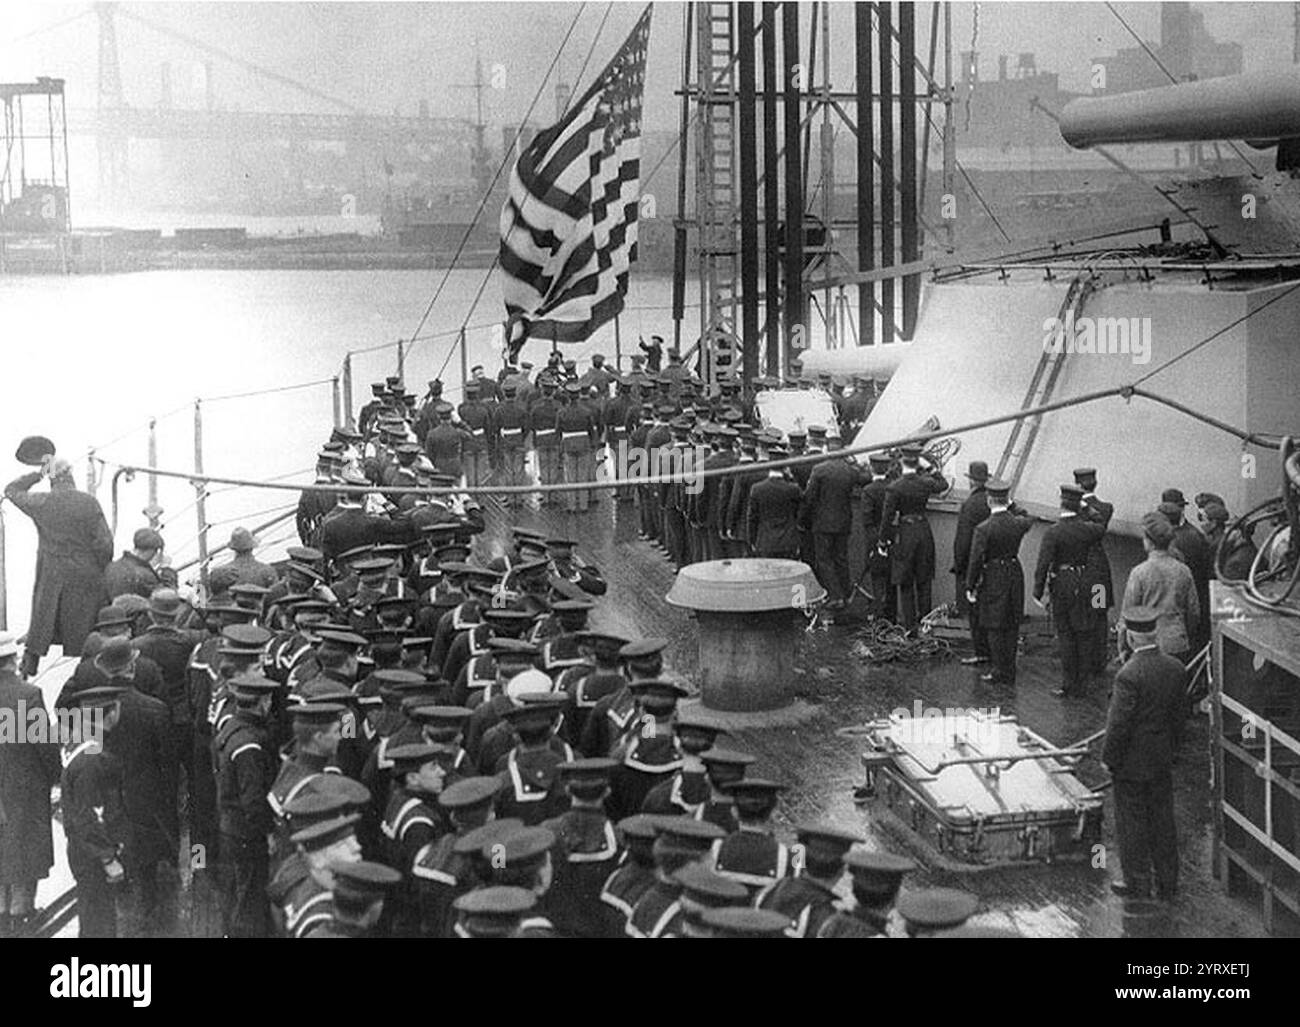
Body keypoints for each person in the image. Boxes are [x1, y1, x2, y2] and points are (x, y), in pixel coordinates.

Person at [1102, 606, 1187, 901]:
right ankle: (1168, 883)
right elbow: (1180, 718)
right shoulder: (1175, 668)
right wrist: (1173, 750)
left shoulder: (1129, 675)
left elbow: (1119, 725)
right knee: (1164, 822)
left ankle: (1138, 883)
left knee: (1132, 823)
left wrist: (1109, 759)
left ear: (1133, 638)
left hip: (1131, 764)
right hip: (1161, 759)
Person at [6, 456, 113, 677]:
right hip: (87, 573)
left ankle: (29, 663)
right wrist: (101, 567)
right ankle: (91, 671)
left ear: (52, 479)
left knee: (44, 615)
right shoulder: (88, 502)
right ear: (71, 476)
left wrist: (38, 473)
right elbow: (104, 544)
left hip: (52, 573)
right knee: (88, 626)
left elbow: (12, 490)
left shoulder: (42, 502)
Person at [0, 633, 61, 936]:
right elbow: (42, 742)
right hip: (23, 783)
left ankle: (1, 907)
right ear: (13, 660)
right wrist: (56, 776)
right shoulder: (28, 695)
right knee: (24, 846)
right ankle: (21, 909)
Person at [61, 686, 130, 938]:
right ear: (111, 714)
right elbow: (88, 815)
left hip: (83, 849)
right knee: (98, 923)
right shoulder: (92, 758)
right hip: (91, 853)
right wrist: (108, 858)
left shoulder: (82, 745)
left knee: (95, 916)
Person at [214, 673, 279, 937]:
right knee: (250, 903)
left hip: (229, 827)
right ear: (263, 702)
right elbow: (252, 798)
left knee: (235, 896)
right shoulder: (249, 743)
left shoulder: (231, 728)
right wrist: (268, 832)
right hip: (246, 832)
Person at [1032, 485, 1107, 698]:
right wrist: (1086, 508)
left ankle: (1069, 684)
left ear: (1061, 502)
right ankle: (1085, 683)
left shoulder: (1053, 532)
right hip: (1091, 583)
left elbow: (1043, 564)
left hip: (1063, 584)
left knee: (1065, 634)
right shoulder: (1089, 529)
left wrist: (1038, 593)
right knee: (1086, 631)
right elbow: (1101, 523)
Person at [963, 480, 1035, 686]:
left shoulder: (983, 529)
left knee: (994, 623)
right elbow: (1027, 517)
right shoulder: (1019, 523)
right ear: (1005, 499)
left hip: (993, 574)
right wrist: (1011, 504)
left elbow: (976, 559)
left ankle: (998, 670)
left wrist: (970, 585)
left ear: (988, 500)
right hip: (1014, 572)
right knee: (1012, 622)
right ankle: (1009, 669)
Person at [1118, 512, 1200, 666]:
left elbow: (1127, 613)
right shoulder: (1183, 570)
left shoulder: (1139, 573)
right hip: (1177, 643)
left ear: (1149, 542)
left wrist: (1122, 646)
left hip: (1145, 645)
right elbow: (1194, 612)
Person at [879, 444, 947, 630]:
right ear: (918, 463)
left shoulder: (895, 487)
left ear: (901, 462)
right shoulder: (925, 482)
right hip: (924, 531)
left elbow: (887, 517)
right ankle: (926, 624)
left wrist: (883, 541)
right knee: (924, 581)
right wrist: (931, 468)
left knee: (906, 581)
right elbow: (943, 484)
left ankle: (910, 627)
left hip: (905, 533)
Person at [799, 438, 862, 607]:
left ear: (827, 449)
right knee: (841, 558)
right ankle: (845, 592)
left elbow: (809, 498)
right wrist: (852, 460)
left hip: (822, 523)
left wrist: (803, 520)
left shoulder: (819, 470)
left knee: (824, 559)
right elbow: (866, 477)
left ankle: (835, 596)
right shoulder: (850, 471)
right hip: (843, 522)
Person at [952, 461, 991, 665]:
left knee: (974, 611)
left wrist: (959, 565)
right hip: (994, 565)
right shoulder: (992, 501)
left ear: (971, 481)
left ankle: (981, 651)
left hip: (973, 565)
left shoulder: (970, 505)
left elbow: (963, 539)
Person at [1076, 468, 1115, 671]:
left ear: (1077, 485)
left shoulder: (1076, 510)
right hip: (1099, 571)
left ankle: (1083, 659)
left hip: (1080, 571)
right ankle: (1098, 658)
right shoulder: (1106, 508)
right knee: (1099, 612)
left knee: (1081, 613)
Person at [104, 527, 165, 600]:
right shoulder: (146, 576)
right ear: (151, 550)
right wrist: (167, 570)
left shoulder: (112, 567)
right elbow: (166, 600)